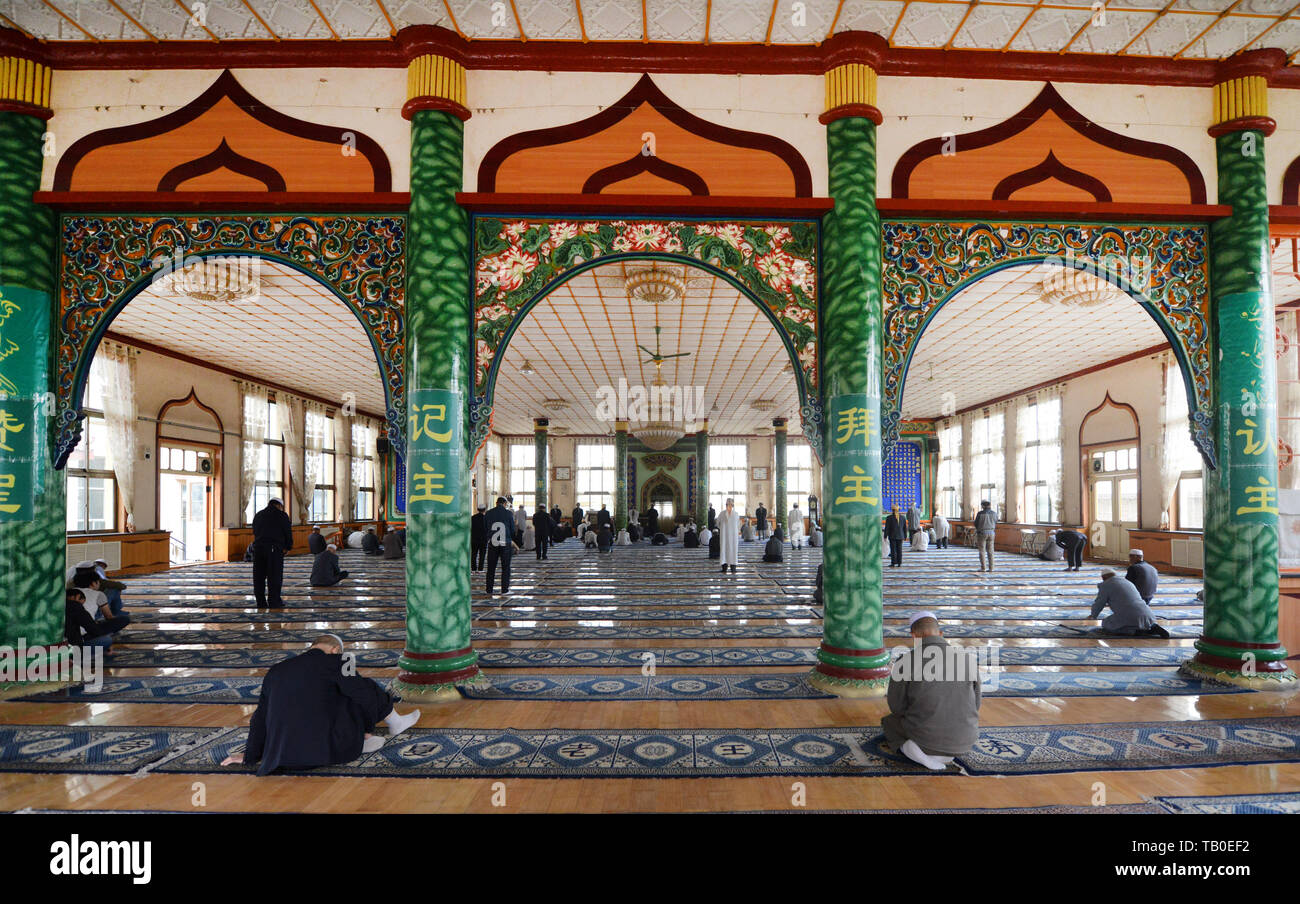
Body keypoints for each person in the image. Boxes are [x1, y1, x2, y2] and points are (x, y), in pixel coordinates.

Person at [220, 635, 421, 775]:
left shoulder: (276, 670)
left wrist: (250, 755)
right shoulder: (342, 660)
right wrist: (372, 721)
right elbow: (364, 694)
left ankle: (367, 735)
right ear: (335, 650)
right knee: (362, 686)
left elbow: (260, 716)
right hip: (329, 751)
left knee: (332, 692)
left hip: (282, 757)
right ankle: (386, 726)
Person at [880, 612, 982, 772]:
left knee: (890, 723)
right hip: (965, 741)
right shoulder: (967, 659)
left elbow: (897, 707)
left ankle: (917, 753)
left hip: (925, 739)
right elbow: (976, 704)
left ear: (914, 636)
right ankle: (945, 750)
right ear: (941, 634)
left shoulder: (905, 662)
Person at [1091, 568, 1169, 637]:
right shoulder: (1128, 582)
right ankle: (1152, 627)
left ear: (1104, 578)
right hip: (1149, 616)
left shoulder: (1106, 585)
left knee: (1106, 624)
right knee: (1136, 620)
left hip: (1129, 616)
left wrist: (1093, 615)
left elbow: (1099, 603)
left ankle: (1136, 631)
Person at [251, 497, 293, 608]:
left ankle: (260, 602)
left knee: (259, 577)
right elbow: (287, 532)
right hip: (274, 549)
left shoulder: (259, 514)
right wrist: (288, 547)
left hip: (258, 549)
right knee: (274, 576)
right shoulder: (282, 515)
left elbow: (254, 531)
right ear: (279, 506)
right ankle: (274, 601)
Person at [485, 497, 517, 594]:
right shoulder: (508, 513)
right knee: (506, 567)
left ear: (496, 503)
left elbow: (485, 527)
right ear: (504, 503)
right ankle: (504, 589)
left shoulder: (489, 513)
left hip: (493, 542)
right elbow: (512, 529)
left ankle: (489, 589)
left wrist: (490, 536)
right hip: (505, 543)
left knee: (491, 568)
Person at [718, 497, 741, 574]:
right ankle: (729, 568)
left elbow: (718, 524)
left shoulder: (723, 514)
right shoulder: (724, 514)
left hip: (728, 537)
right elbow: (738, 526)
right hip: (729, 537)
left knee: (728, 551)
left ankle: (728, 568)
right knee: (728, 551)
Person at [973, 500, 997, 573]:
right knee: (991, 551)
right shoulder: (994, 513)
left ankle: (983, 568)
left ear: (983, 506)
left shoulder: (980, 514)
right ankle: (991, 568)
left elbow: (976, 523)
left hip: (982, 533)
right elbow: (996, 522)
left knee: (982, 551)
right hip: (992, 533)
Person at [471, 503, 488, 571]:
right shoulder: (486, 518)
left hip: (474, 539)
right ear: (484, 510)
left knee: (474, 554)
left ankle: (473, 568)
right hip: (483, 539)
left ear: (478, 510)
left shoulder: (473, 518)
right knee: (482, 555)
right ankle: (480, 569)